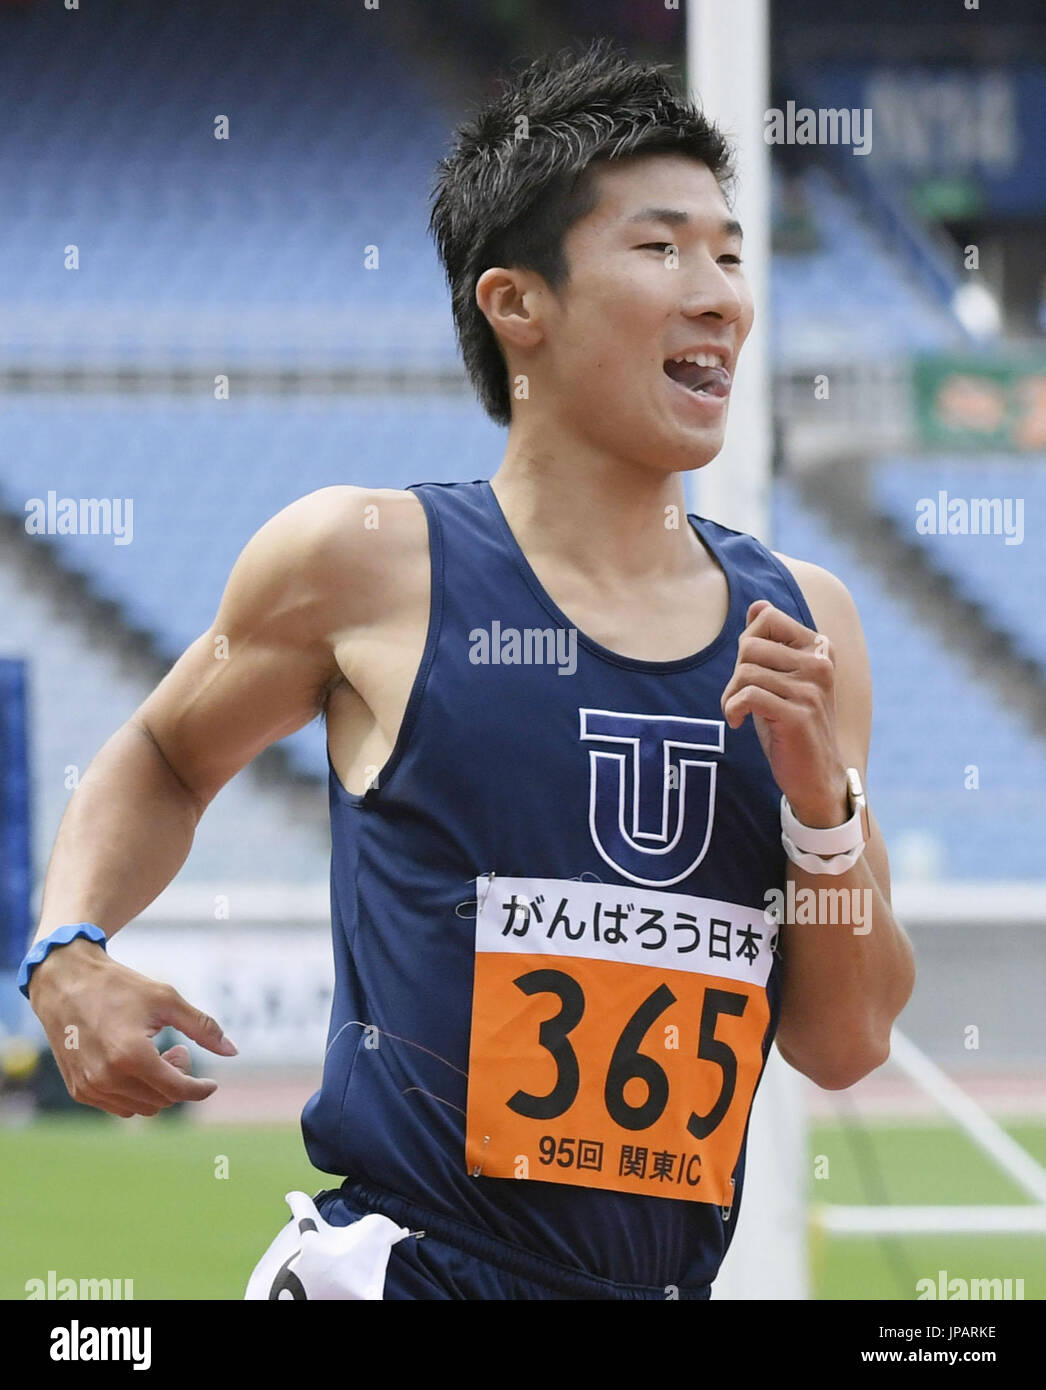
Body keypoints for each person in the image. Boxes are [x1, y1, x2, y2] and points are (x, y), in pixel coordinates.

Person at [21, 39, 914, 1300]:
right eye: (660, 249)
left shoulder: (801, 624)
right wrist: (68, 949)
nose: (718, 293)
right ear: (517, 306)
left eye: (728, 251)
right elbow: (165, 753)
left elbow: (845, 1038)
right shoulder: (364, 562)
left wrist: (824, 812)